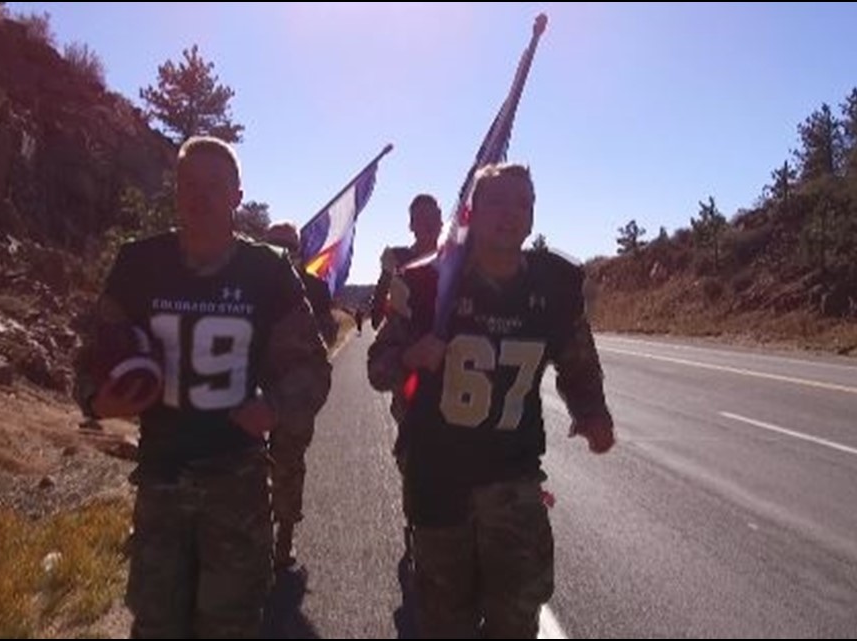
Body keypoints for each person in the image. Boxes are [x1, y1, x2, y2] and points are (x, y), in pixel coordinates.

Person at [74, 136, 332, 638]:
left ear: (237, 195)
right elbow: (91, 356)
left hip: (236, 481)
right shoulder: (139, 263)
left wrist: (274, 406)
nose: (200, 196)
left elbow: (311, 369)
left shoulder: (266, 271)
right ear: (175, 192)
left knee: (228, 624)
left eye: (215, 186)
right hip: (161, 477)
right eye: (189, 184)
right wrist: (95, 397)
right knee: (157, 623)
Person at [367, 163, 614, 639]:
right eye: (496, 202)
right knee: (445, 618)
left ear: (533, 217)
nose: (509, 214)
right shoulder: (428, 284)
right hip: (439, 476)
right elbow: (379, 365)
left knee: (516, 617)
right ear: (471, 213)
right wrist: (413, 356)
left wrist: (592, 412)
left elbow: (577, 361)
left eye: (522, 203)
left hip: (513, 478)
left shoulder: (552, 287)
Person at [263, 221, 339, 569]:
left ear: (298, 251)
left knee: (289, 464)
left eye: (287, 246)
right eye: (273, 244)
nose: (281, 252)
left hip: (296, 391)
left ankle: (285, 539)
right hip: (252, 389)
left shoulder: (314, 288)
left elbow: (326, 335)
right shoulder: (250, 283)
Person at [370, 194, 443, 331]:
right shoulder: (397, 258)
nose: (429, 224)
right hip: (405, 339)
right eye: (422, 218)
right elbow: (380, 297)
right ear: (411, 225)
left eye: (434, 217)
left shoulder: (455, 260)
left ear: (441, 222)